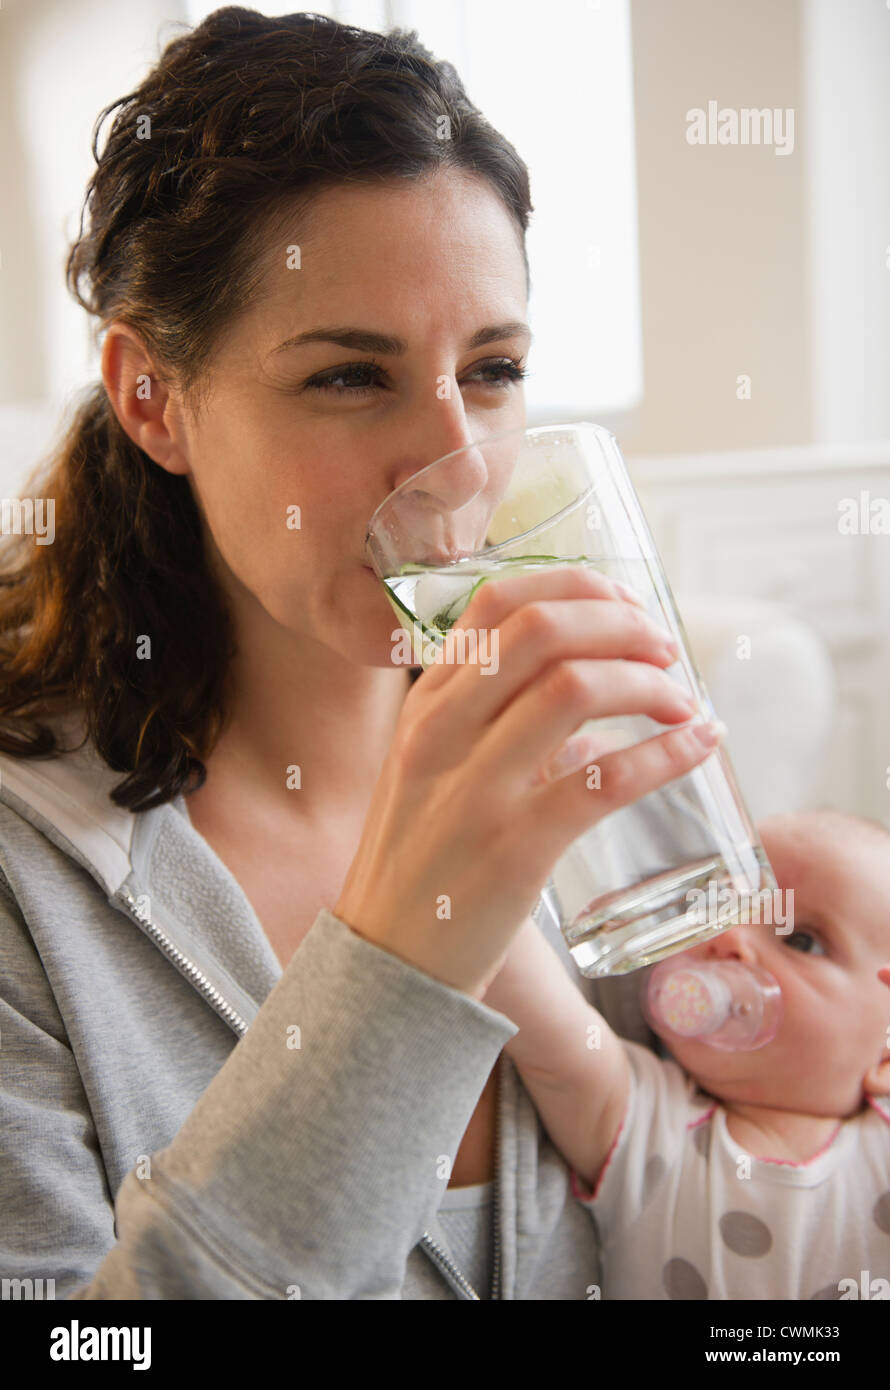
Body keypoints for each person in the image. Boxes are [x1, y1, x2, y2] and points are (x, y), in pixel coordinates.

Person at [0, 7, 724, 1300]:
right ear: (152, 397)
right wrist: (396, 963)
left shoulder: (585, 758)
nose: (451, 466)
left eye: (491, 370)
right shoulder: (28, 884)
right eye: (348, 377)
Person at [482, 809, 890, 1300]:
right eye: (717, 906)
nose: (730, 938)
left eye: (801, 939)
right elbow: (538, 1009)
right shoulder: (645, 1118)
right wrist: (482, 865)